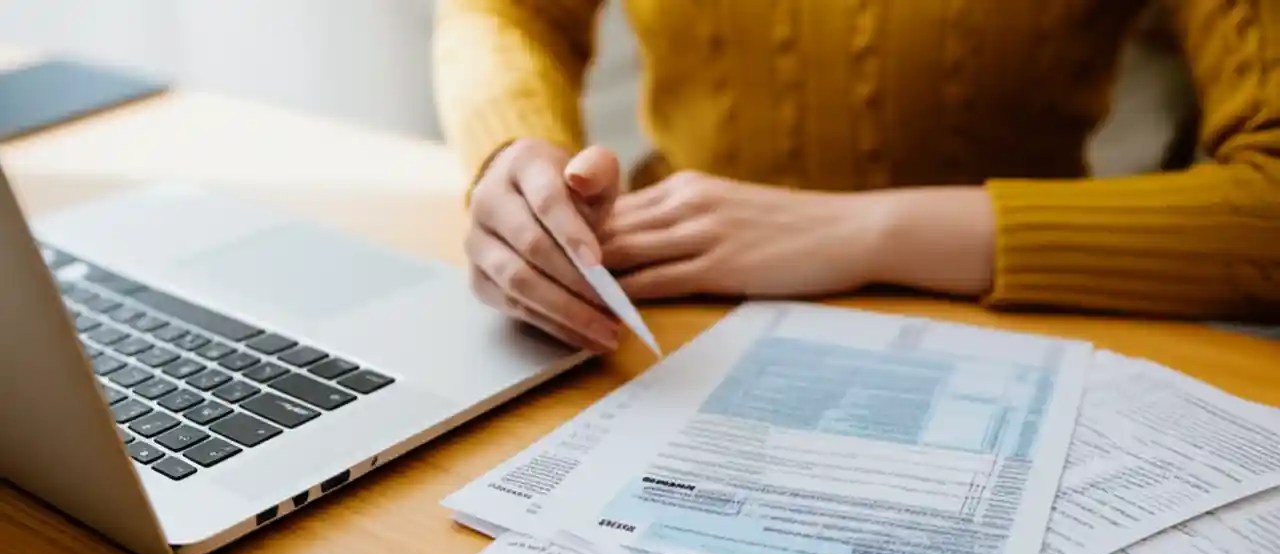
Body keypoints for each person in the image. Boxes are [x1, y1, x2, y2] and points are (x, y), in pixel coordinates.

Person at [433, 0, 1280, 352]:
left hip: (1017, 327)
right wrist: (512, 154)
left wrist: (861, 231)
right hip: (669, 305)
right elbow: (503, 11)